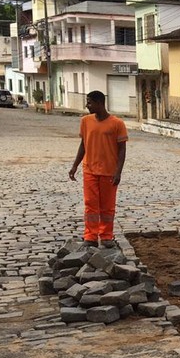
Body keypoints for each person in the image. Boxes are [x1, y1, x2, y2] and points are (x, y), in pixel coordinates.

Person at [68, 91, 127, 248]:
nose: (87, 105)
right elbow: (83, 144)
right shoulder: (85, 121)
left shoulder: (117, 124)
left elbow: (122, 150)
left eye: (89, 102)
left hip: (109, 172)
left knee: (107, 206)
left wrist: (118, 171)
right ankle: (91, 236)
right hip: (90, 170)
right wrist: (75, 165)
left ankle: (106, 236)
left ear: (100, 103)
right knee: (90, 205)